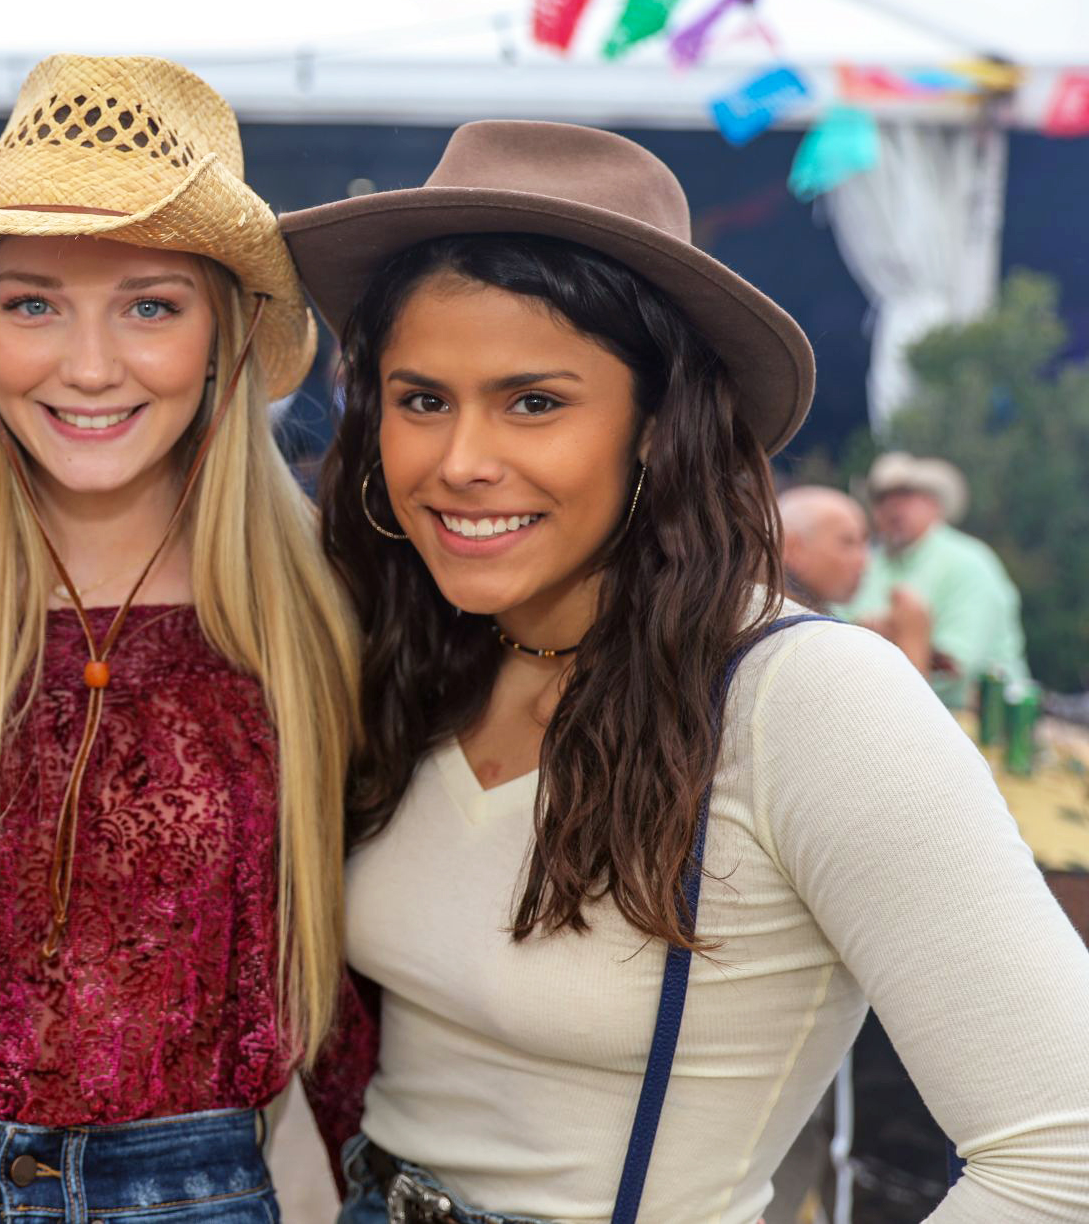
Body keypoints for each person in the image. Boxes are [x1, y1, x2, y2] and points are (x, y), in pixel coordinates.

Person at [282, 120, 1089, 1222]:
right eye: (422, 399)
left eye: (533, 401)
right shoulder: (415, 648)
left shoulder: (803, 699)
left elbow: (1061, 1153)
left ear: (658, 425)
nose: (459, 461)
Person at [0, 55, 364, 1224]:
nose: (86, 366)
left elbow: (367, 1009)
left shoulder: (322, 610)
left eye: (149, 305)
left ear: (222, 339)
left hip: (195, 1190)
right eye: (32, 302)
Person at [844, 451, 1029, 708]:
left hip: (980, 721)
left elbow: (954, 669)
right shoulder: (865, 564)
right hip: (884, 708)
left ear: (933, 503)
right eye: (881, 498)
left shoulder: (970, 562)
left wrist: (889, 636)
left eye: (905, 495)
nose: (892, 507)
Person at [780, 483, 935, 676]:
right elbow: (905, 705)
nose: (864, 560)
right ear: (793, 549)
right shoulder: (789, 637)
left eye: (865, 543)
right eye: (847, 542)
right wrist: (913, 643)